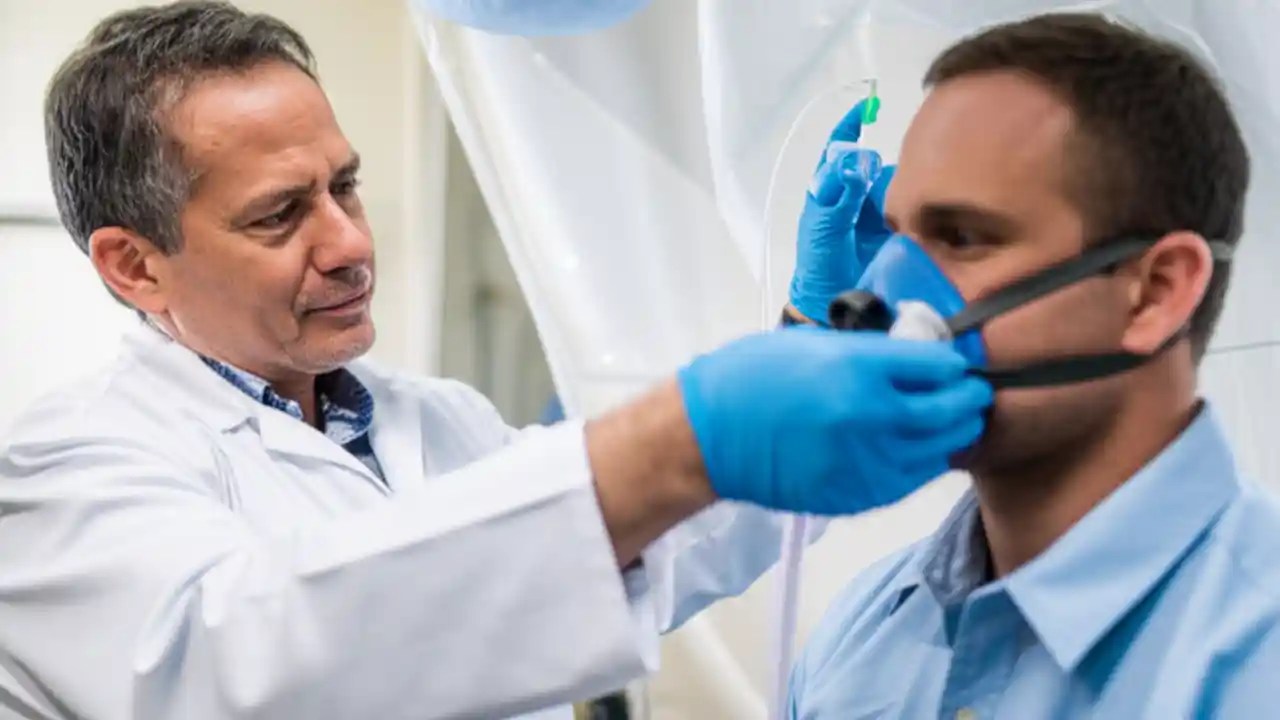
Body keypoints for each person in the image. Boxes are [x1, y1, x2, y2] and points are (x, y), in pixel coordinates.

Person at [0, 2, 991, 719]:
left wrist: (815, 342)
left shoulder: (435, 423)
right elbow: (250, 673)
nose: (349, 243)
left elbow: (651, 549)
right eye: (279, 215)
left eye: (345, 186)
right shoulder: (65, 479)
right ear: (135, 265)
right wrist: (672, 440)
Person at [787, 13, 1280, 719]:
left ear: (1155, 292)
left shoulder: (1256, 657)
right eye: (896, 237)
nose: (879, 297)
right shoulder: (856, 640)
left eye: (962, 236)